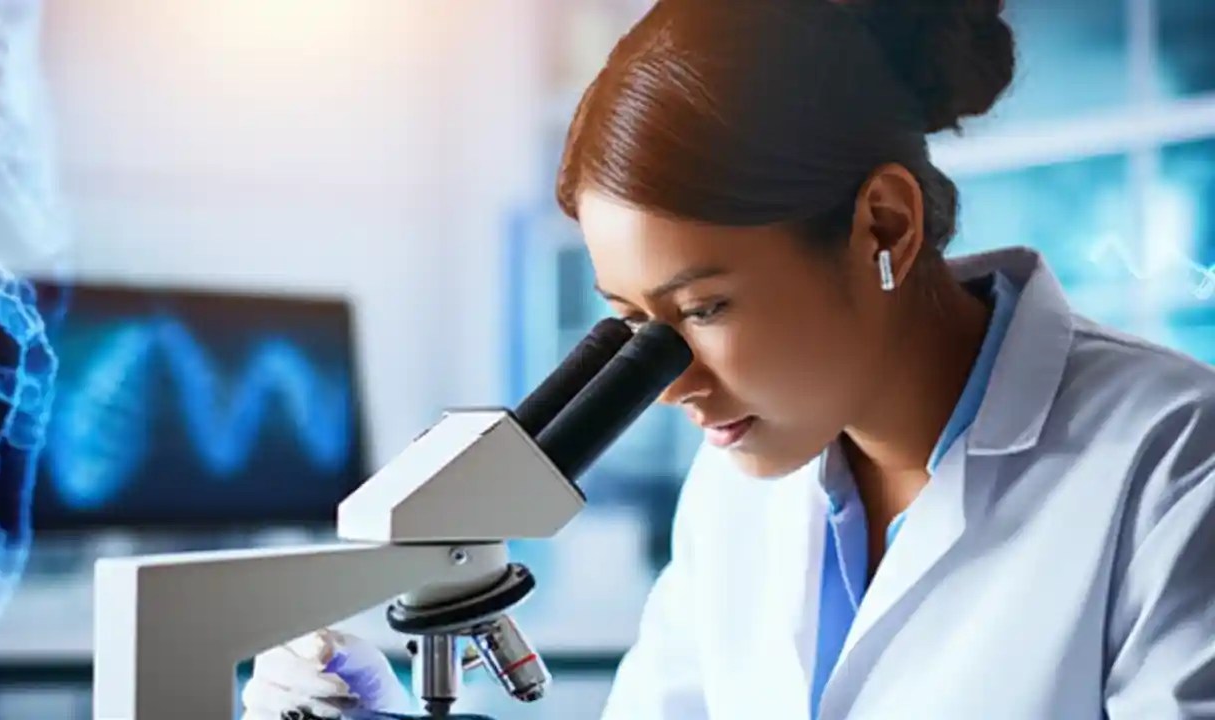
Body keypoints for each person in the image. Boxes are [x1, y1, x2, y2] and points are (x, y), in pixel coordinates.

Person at [243, 0, 1215, 717]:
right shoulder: (743, 478)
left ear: (881, 223)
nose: (666, 382)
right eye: (629, 326)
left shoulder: (1171, 462)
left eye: (701, 307)